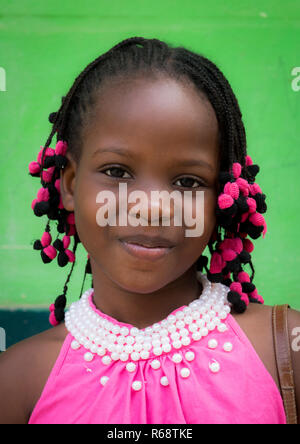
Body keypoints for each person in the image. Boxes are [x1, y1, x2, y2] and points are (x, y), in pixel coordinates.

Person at [0, 36, 299, 424]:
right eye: (117, 172)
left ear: (223, 197)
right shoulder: (18, 379)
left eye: (188, 182)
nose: (151, 207)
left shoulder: (284, 352)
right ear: (70, 185)